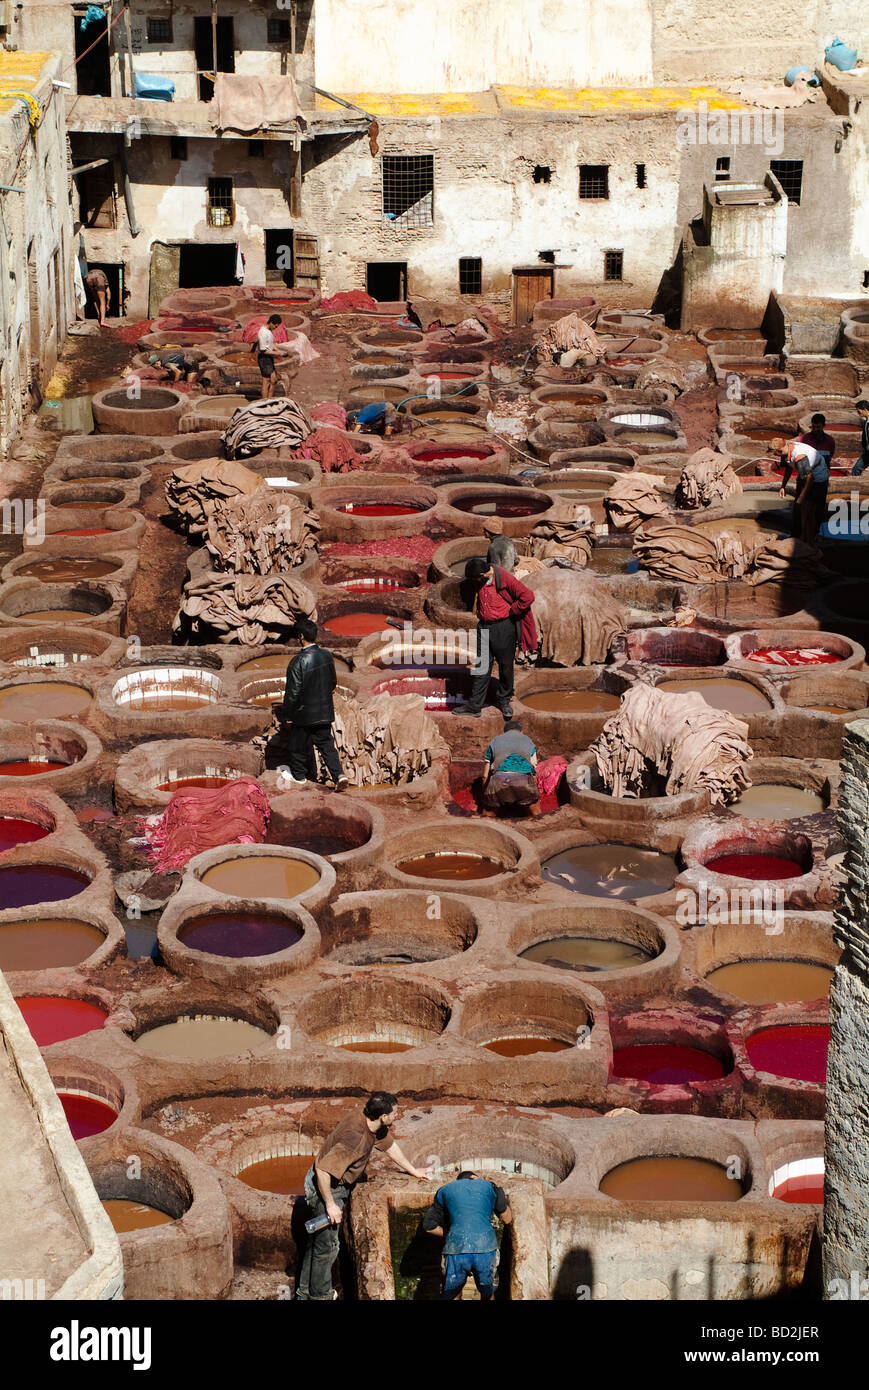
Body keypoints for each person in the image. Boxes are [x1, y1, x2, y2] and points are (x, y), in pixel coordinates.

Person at [298, 1092, 434, 1301]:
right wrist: (330, 1204)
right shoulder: (356, 1138)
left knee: (318, 1242)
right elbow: (323, 1170)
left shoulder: (366, 1120)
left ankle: (305, 1291)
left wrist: (413, 1170)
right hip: (326, 1187)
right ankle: (320, 1296)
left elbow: (390, 1147)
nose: (397, 1115)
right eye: (394, 1113)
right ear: (383, 1116)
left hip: (335, 1182)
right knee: (328, 1245)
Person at [453, 556, 537, 719]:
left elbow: (527, 596)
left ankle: (504, 700)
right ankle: (475, 705)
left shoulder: (503, 578)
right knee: (482, 666)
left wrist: (513, 610)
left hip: (503, 627)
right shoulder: (480, 579)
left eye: (475, 578)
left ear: (483, 574)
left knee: (505, 667)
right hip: (484, 627)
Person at [422, 1170, 512, 1302]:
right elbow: (507, 1219)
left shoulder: (445, 1190)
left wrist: (450, 1234)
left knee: (452, 1295)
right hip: (485, 1249)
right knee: (488, 1294)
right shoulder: (490, 1186)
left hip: (456, 1250)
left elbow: (429, 1226)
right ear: (475, 1177)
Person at [281, 617, 348, 790]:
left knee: (297, 746)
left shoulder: (297, 662)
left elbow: (293, 693)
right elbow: (332, 682)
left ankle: (299, 777)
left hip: (304, 715)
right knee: (327, 745)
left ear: (301, 636)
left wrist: (288, 714)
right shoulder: (326, 655)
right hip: (324, 711)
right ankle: (339, 775)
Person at [779, 413, 835, 541]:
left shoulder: (830, 441)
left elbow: (829, 457)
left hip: (820, 480)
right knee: (799, 510)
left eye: (818, 427)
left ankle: (813, 537)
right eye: (813, 427)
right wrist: (784, 485)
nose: (815, 429)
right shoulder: (803, 440)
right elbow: (790, 464)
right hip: (803, 479)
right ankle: (796, 537)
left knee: (817, 510)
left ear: (823, 426)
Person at [481, 719, 540, 816]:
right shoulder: (528, 741)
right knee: (535, 810)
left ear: (505, 732)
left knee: (488, 812)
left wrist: (485, 795)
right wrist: (534, 792)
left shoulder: (495, 741)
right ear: (521, 732)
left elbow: (485, 776)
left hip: (499, 781)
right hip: (523, 781)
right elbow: (533, 771)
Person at [256, 314, 295, 399]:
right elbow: (263, 350)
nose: (275, 328)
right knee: (266, 380)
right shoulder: (262, 333)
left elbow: (270, 344)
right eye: (275, 326)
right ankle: (264, 401)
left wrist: (278, 350)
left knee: (273, 380)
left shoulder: (268, 331)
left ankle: (269, 399)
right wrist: (278, 354)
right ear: (271, 323)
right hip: (264, 359)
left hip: (269, 358)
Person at [851, 400, 869, 476]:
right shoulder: (865, 423)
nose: (858, 414)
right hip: (867, 452)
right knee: (856, 469)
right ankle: (854, 486)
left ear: (865, 409)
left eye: (859, 411)